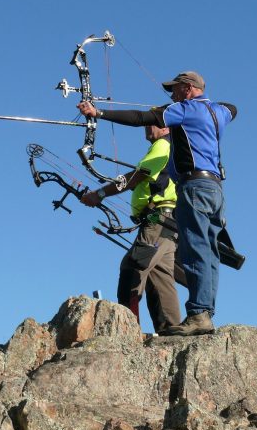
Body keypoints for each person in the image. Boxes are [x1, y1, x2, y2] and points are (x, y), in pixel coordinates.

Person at [78, 71, 237, 336]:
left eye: (175, 90)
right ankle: (187, 321)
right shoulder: (217, 112)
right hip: (214, 190)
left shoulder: (179, 119)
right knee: (197, 258)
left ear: (187, 89)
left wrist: (99, 113)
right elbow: (234, 108)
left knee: (175, 257)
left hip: (189, 193)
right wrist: (208, 103)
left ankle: (188, 316)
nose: (171, 97)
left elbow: (141, 117)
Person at [81, 125, 181, 333]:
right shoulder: (168, 146)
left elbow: (136, 176)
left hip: (159, 218)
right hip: (165, 221)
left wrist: (99, 194)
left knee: (133, 266)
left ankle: (126, 329)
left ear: (165, 128)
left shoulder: (163, 144)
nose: (147, 126)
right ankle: (171, 331)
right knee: (159, 274)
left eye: (152, 122)